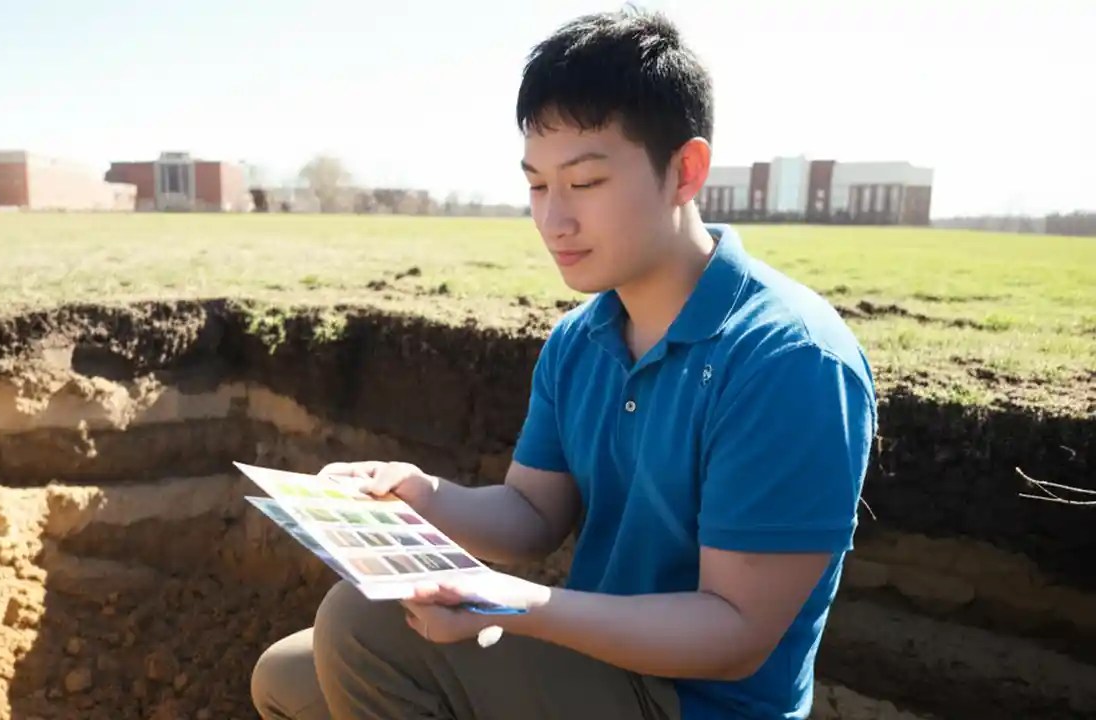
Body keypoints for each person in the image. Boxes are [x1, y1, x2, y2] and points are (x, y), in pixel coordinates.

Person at [251, 6, 875, 719]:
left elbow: (734, 634)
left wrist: (521, 605)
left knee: (361, 630)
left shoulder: (788, 359)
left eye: (584, 183)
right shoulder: (582, 339)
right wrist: (421, 495)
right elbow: (531, 515)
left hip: (694, 702)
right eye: (538, 186)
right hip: (592, 662)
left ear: (685, 171)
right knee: (288, 679)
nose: (554, 221)